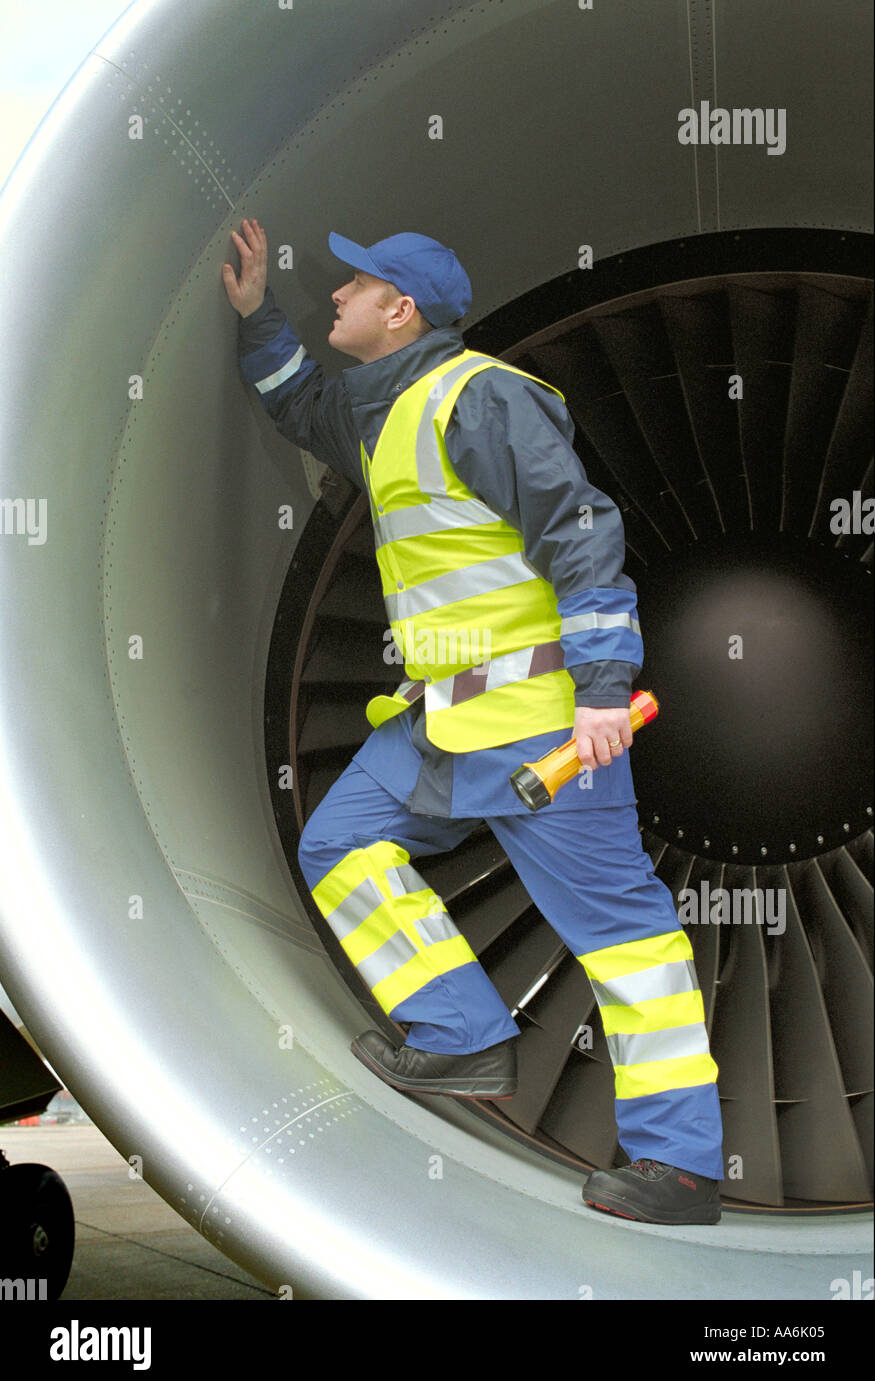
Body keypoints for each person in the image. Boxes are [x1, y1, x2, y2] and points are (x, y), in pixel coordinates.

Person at [222, 221, 725, 1225]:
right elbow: (300, 409)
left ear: (398, 309)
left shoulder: (480, 399)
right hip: (439, 725)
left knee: (622, 939)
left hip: (539, 722)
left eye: (352, 287)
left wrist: (598, 688)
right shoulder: (379, 409)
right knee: (339, 844)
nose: (337, 299)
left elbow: (579, 534)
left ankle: (679, 1166)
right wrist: (253, 317)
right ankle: (458, 1030)